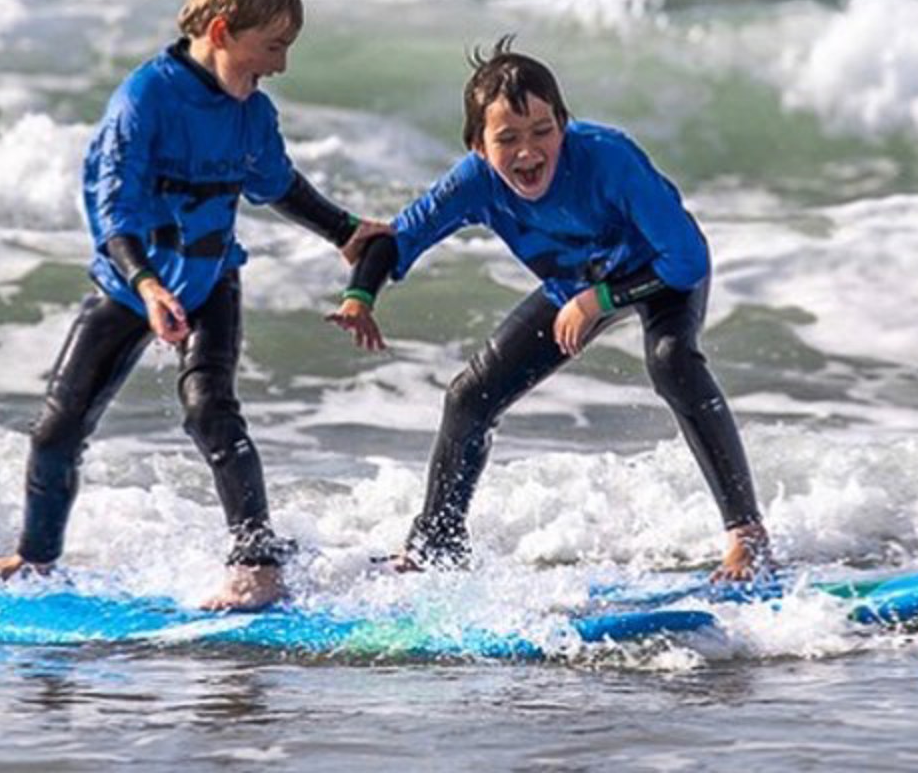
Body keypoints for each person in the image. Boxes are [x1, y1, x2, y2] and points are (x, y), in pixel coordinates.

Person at [0, 0, 387, 609]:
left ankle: (257, 563)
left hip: (211, 279)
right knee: (56, 429)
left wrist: (345, 231)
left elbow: (277, 185)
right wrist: (149, 287)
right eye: (271, 47)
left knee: (211, 409)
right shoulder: (143, 103)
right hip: (130, 285)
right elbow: (113, 211)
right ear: (219, 33)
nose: (280, 65)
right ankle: (34, 559)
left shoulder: (252, 113)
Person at [326, 37, 770, 580]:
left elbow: (686, 258)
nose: (529, 152)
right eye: (507, 139)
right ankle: (437, 547)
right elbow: (399, 237)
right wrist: (359, 294)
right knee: (469, 397)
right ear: (477, 146)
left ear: (564, 122)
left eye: (543, 131)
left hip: (655, 270)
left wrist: (602, 298)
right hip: (574, 285)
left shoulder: (609, 157)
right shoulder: (474, 183)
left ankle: (747, 536)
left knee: (672, 360)